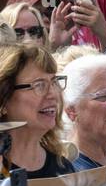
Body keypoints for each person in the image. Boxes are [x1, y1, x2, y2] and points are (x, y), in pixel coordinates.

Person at [0, 44, 75, 179]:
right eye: (39, 85)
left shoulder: (63, 169)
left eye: (54, 82)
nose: (53, 94)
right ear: (4, 100)